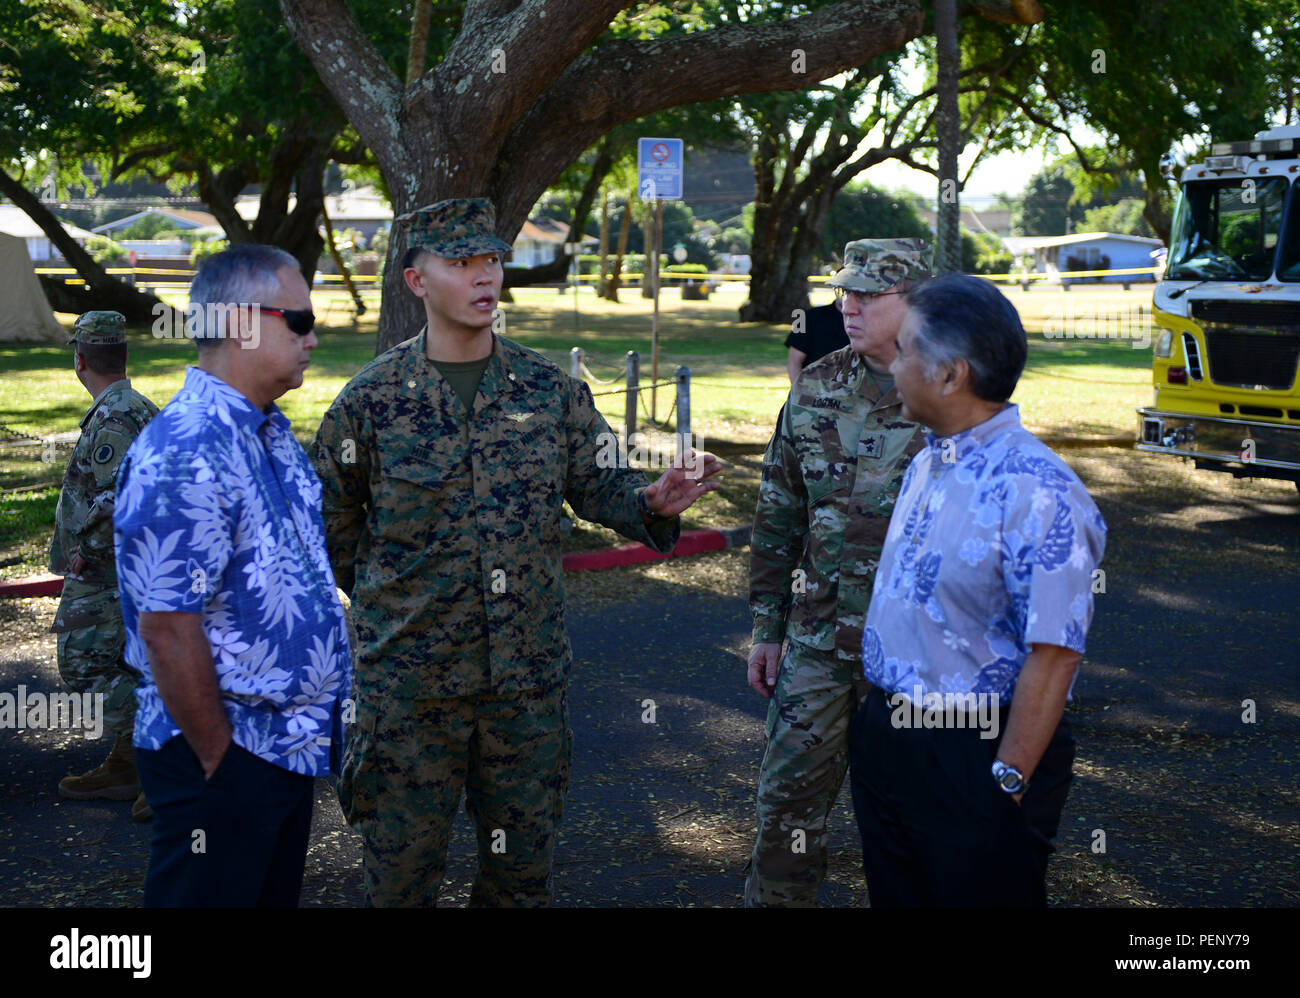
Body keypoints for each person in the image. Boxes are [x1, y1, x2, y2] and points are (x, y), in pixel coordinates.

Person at [310, 197, 722, 907]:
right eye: (462, 261)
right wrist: (402, 608)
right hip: (410, 690)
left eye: (493, 260)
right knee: (400, 879)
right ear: (416, 281)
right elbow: (333, 529)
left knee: (521, 878)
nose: (485, 277)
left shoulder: (549, 391)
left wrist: (650, 502)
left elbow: (598, 483)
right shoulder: (369, 403)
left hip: (524, 686)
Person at [850, 273, 1107, 907]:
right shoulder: (926, 460)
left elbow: (1056, 652)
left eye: (906, 349)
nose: (893, 361)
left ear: (950, 375)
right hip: (891, 736)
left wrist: (1008, 781)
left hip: (976, 752)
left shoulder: (1040, 489)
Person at [114, 245, 352, 907]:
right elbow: (166, 627)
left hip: (279, 752)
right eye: (299, 320)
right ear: (244, 322)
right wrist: (222, 759)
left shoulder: (267, 432)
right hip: (221, 755)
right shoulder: (188, 448)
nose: (313, 336)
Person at [745, 238, 932, 906]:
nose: (846, 305)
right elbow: (778, 514)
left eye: (866, 294)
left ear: (913, 301)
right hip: (818, 646)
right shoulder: (817, 387)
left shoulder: (954, 391)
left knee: (922, 824)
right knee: (786, 811)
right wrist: (767, 627)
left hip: (921, 658)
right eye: (843, 291)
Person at [49, 310, 158, 821]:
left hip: (108, 568)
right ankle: (128, 765)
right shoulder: (135, 407)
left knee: (84, 664)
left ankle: (173, 752)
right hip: (136, 566)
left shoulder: (115, 416)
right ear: (124, 355)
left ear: (80, 360)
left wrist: (85, 550)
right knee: (123, 663)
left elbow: (118, 498)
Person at [785, 301, 847, 383]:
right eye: (842, 289)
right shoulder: (806, 317)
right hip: (814, 391)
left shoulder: (867, 320)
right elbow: (793, 362)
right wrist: (800, 392)